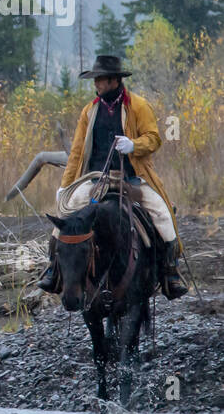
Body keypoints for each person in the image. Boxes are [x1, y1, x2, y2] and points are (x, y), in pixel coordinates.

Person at [39, 54, 188, 299]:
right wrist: (65, 186)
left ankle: (170, 272)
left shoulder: (138, 106)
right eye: (95, 80)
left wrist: (134, 145)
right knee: (65, 215)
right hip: (96, 181)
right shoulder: (89, 111)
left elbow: (154, 138)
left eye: (100, 80)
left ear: (114, 81)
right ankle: (53, 269)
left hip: (133, 180)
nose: (96, 84)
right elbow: (76, 152)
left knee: (163, 213)